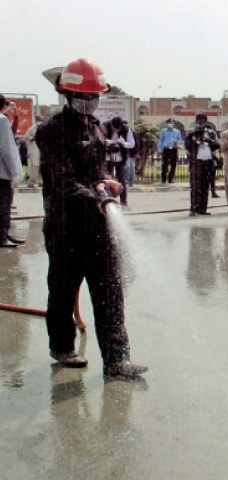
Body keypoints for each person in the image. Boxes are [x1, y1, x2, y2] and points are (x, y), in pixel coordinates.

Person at [35, 58, 147, 379]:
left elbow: (95, 168)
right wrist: (96, 198)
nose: (89, 103)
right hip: (65, 228)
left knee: (110, 293)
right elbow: (63, 182)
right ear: (68, 95)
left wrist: (105, 181)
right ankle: (62, 347)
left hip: (98, 227)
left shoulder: (94, 127)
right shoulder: (51, 131)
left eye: (94, 97)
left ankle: (117, 360)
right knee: (62, 291)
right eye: (83, 97)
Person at [0, 94, 24, 248]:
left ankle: (4, 234)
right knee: (3, 206)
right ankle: (2, 237)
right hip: (2, 173)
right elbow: (7, 149)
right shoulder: (2, 120)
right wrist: (15, 173)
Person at [185, 113, 219, 216]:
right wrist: (195, 139)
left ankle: (202, 209)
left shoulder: (211, 133)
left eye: (204, 121)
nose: (202, 123)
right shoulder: (192, 132)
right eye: (200, 121)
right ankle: (193, 209)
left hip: (207, 161)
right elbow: (187, 146)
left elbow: (217, 145)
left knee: (205, 186)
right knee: (195, 186)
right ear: (196, 121)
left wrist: (207, 140)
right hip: (197, 162)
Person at [102, 116, 135, 206]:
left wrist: (124, 143)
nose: (116, 131)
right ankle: (107, 201)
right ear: (111, 124)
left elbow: (132, 144)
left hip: (120, 157)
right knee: (106, 179)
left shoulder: (126, 129)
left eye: (118, 129)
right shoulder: (104, 126)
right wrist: (105, 142)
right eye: (114, 128)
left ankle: (123, 201)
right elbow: (97, 140)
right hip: (107, 157)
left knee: (122, 179)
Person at [157, 117, 182, 184]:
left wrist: (177, 142)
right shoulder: (163, 131)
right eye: (169, 123)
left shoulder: (177, 132)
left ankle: (171, 179)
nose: (170, 124)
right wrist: (159, 149)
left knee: (173, 164)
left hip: (174, 149)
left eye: (171, 123)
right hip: (166, 149)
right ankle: (163, 179)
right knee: (165, 164)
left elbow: (180, 140)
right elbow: (160, 140)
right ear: (167, 124)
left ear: (173, 124)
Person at [23, 115, 44, 188]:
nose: (40, 121)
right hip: (33, 150)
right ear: (36, 120)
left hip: (42, 150)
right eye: (39, 120)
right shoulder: (31, 129)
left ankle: (41, 181)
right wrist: (33, 138)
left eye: (41, 120)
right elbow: (26, 138)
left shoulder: (44, 128)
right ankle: (31, 182)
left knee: (42, 165)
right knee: (34, 165)